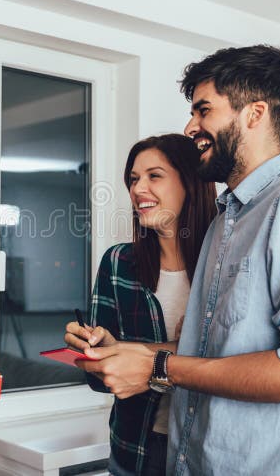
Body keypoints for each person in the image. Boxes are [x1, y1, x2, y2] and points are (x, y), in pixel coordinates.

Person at [74, 45, 280, 475]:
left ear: (254, 114)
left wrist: (156, 365)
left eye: (203, 110)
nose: (192, 126)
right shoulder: (225, 224)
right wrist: (128, 350)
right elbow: (209, 353)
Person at [65, 134, 216, 475]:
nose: (138, 188)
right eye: (133, 179)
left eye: (154, 176)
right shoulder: (118, 263)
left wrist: (140, 356)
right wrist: (99, 353)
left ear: (190, 183)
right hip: (136, 450)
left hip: (205, 449)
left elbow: (233, 361)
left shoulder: (224, 263)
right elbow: (100, 382)